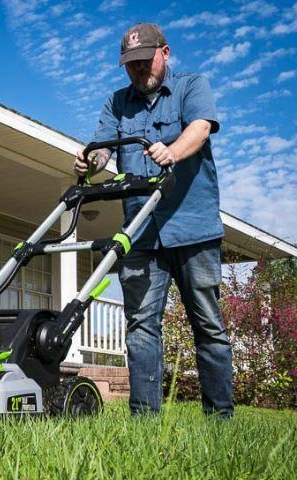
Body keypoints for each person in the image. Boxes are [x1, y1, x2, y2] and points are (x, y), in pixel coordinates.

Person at [74, 23, 234, 417]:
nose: (138, 71)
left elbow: (199, 129)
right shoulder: (117, 102)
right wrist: (88, 160)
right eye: (130, 65)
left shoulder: (191, 86)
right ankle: (144, 419)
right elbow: (102, 152)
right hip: (140, 232)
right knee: (142, 326)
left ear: (165, 53)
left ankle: (220, 418)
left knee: (208, 326)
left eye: (144, 62)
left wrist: (173, 151)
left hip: (193, 227)